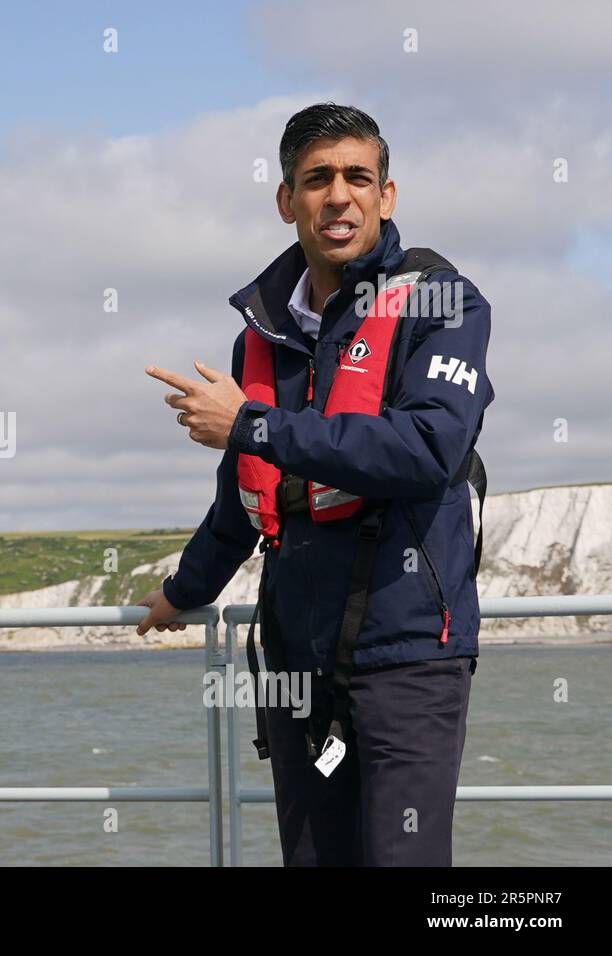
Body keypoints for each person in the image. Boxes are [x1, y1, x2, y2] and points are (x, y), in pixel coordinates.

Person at [136, 103, 492, 866]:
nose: (340, 196)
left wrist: (252, 424)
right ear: (286, 200)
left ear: (386, 195)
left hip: (408, 654)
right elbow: (246, 495)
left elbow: (428, 447)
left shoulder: (445, 303)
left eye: (358, 178)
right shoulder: (261, 331)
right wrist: (183, 591)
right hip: (296, 662)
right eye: (317, 179)